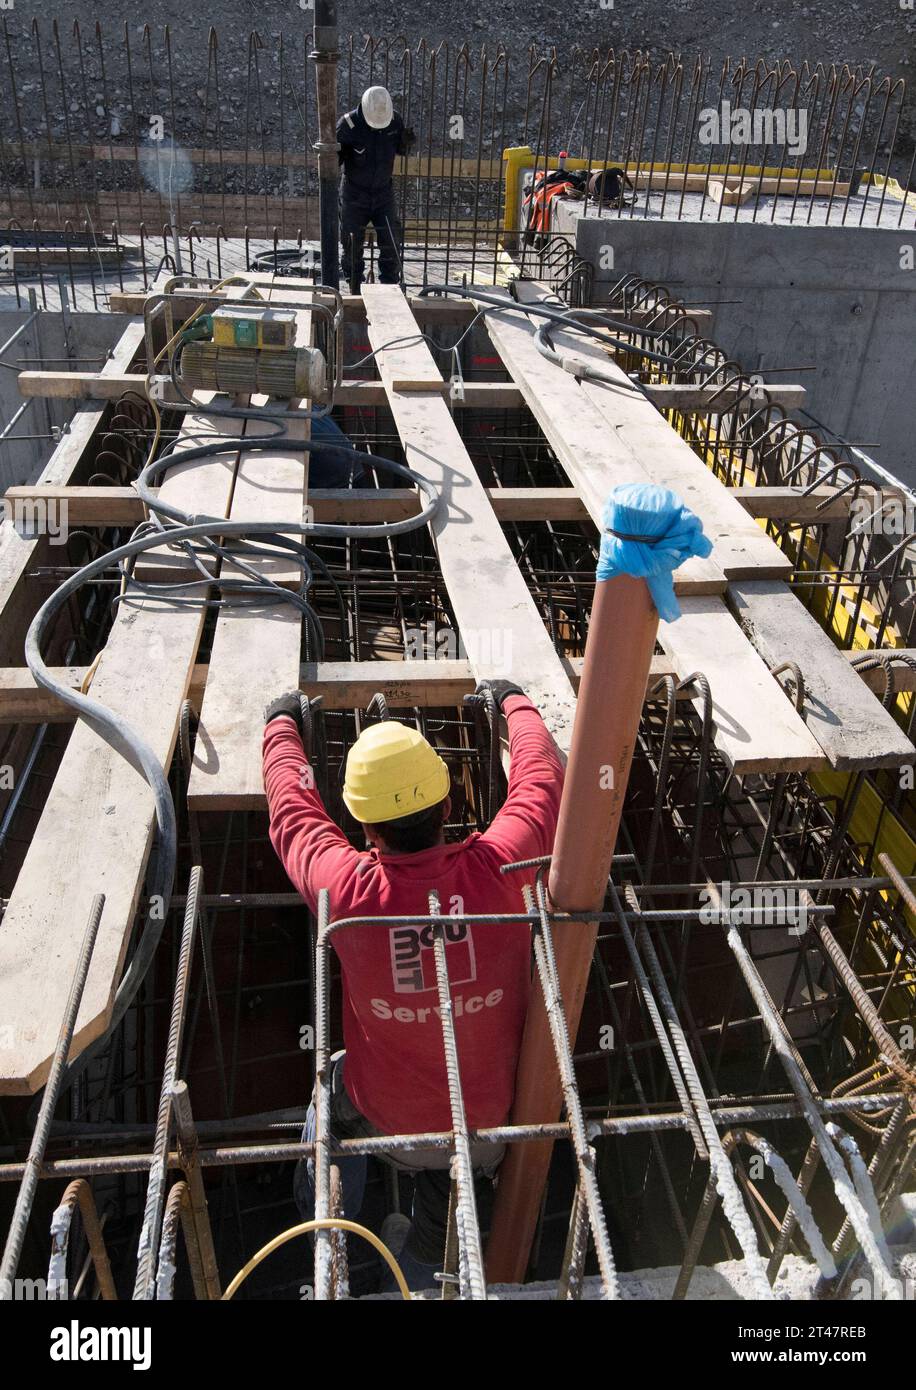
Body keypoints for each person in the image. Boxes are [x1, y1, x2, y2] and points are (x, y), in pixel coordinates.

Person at [262, 680, 564, 1289]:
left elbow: (293, 814)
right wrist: (513, 702)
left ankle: (326, 1225)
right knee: (445, 1205)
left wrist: (281, 725)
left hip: (384, 1117)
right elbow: (541, 781)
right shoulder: (506, 871)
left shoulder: (344, 891)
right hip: (484, 1131)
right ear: (448, 808)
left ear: (365, 828)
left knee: (330, 1091)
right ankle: (427, 1270)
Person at [336, 85, 415, 289]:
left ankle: (389, 286)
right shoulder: (348, 125)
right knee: (352, 243)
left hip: (383, 193)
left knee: (391, 240)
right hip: (354, 194)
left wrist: (406, 143)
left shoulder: (394, 121)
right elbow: (334, 161)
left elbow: (400, 150)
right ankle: (354, 286)